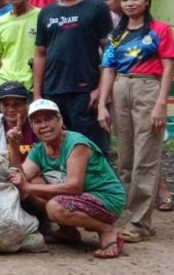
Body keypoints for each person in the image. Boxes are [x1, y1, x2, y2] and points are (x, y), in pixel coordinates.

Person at [98, 0, 174, 243]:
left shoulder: (159, 30)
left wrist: (161, 104)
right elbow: (108, 68)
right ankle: (129, 215)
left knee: (146, 156)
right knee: (126, 159)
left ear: (147, 1)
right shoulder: (115, 34)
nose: (130, 3)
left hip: (147, 89)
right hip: (120, 88)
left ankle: (140, 222)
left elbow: (167, 68)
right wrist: (102, 104)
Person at [8, 99, 126, 259]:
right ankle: (68, 231)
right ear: (33, 127)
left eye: (48, 119)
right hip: (80, 199)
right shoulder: (39, 149)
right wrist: (14, 146)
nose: (43, 125)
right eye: (37, 121)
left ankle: (107, 229)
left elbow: (74, 187)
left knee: (54, 206)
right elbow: (21, 177)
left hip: (107, 199)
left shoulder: (76, 143)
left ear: (60, 120)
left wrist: (27, 187)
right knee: (36, 183)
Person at [33, 0, 113, 154]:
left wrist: (101, 90)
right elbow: (40, 54)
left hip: (85, 91)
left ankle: (93, 185)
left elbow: (110, 52)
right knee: (56, 148)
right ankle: (65, 185)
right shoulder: (46, 13)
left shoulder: (97, 7)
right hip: (53, 91)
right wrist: (37, 95)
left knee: (90, 148)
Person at [0, 81, 37, 160]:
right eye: (6, 105)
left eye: (16, 104)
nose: (11, 109)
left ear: (26, 104)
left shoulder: (35, 125)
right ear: (0, 106)